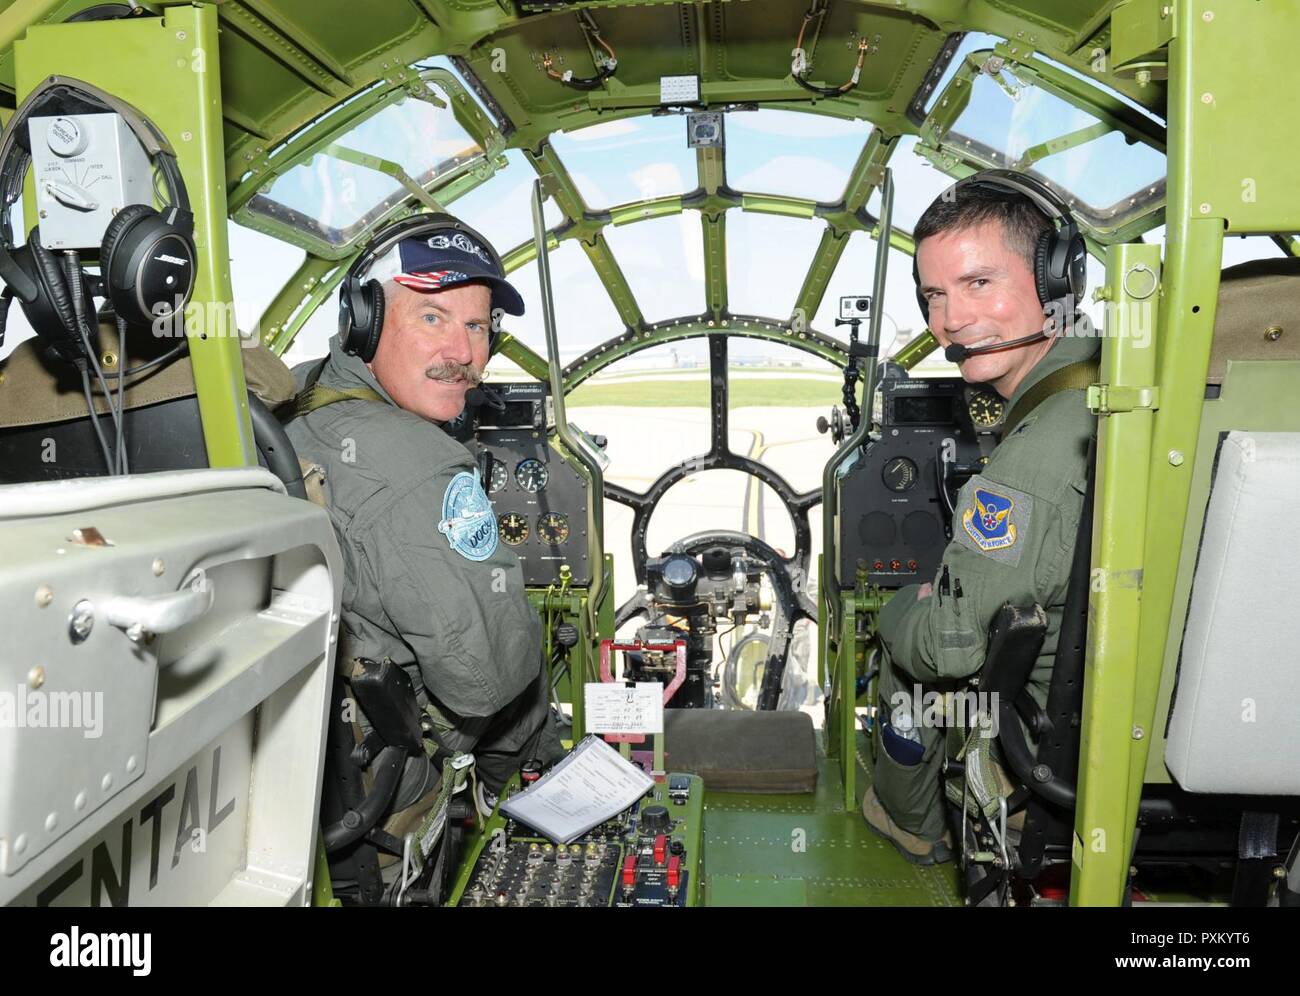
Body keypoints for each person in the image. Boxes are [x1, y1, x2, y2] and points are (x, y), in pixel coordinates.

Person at [283, 213, 564, 818]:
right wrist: (523, 775)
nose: (462, 353)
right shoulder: (419, 470)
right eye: (432, 317)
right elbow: (489, 680)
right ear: (364, 321)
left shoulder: (294, 396)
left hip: (307, 759)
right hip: (382, 787)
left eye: (477, 326)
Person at [861, 170, 1099, 864]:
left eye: (979, 284)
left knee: (913, 651)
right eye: (935, 294)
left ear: (1058, 281)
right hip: (1144, 723)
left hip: (1054, 740)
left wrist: (899, 609)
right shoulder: (1121, 394)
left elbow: (948, 649)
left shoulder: (1036, 458)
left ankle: (912, 822)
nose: (950, 321)